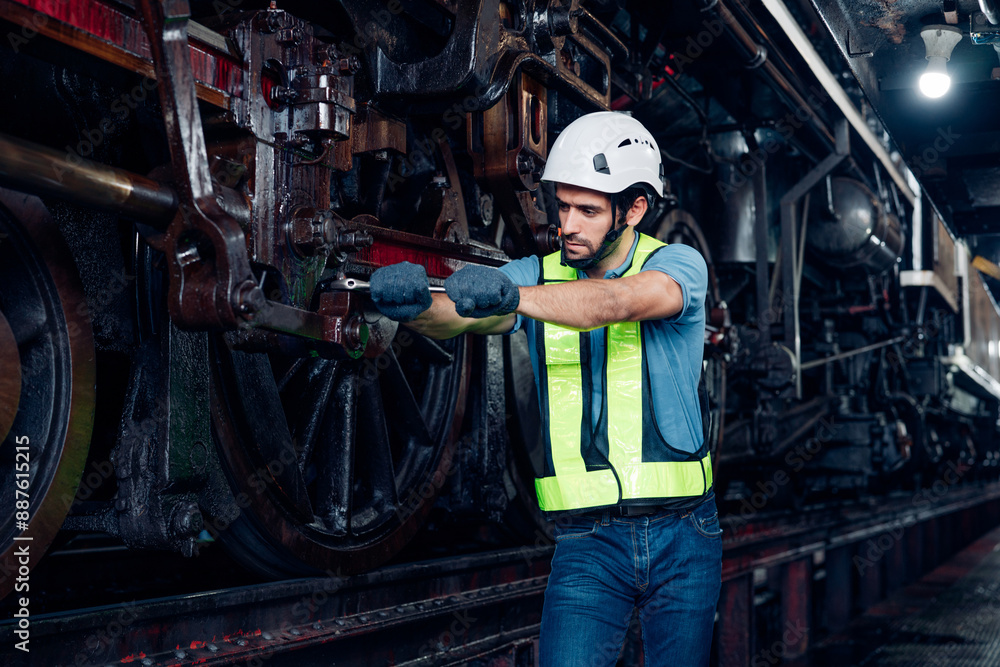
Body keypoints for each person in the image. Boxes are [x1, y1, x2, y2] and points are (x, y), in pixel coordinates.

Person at [368, 111, 721, 666]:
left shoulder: (676, 265)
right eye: (563, 206)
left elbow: (615, 303)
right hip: (587, 545)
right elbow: (457, 316)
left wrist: (512, 297)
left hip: (685, 534)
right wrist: (412, 308)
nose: (569, 225)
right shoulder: (538, 273)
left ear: (634, 210)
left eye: (588, 210)